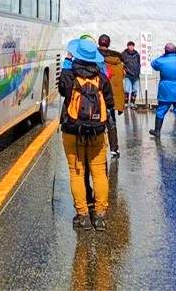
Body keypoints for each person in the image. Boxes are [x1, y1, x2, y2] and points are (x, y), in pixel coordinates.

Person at [59, 37, 117, 231]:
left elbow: (62, 91)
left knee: (77, 172)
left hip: (72, 130)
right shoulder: (101, 77)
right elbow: (109, 103)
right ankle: (99, 216)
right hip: (97, 132)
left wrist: (67, 62)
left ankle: (82, 216)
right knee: (99, 173)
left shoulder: (70, 75)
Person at [149, 43, 176, 140]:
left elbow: (153, 64)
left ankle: (157, 131)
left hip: (166, 89)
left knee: (161, 110)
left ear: (165, 50)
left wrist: (163, 55)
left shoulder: (162, 60)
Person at [97, 35, 125, 158]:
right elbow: (119, 82)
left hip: (95, 95)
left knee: (95, 121)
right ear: (109, 44)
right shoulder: (117, 61)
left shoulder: (93, 57)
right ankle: (114, 149)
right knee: (111, 122)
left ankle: (97, 147)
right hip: (109, 97)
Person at [120, 41, 141, 108]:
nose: (131, 47)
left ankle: (132, 103)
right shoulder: (124, 54)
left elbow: (140, 63)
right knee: (126, 90)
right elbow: (120, 63)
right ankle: (125, 104)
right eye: (129, 45)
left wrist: (139, 70)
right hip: (128, 75)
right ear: (127, 46)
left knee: (135, 90)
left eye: (132, 45)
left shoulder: (137, 54)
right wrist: (123, 70)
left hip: (136, 75)